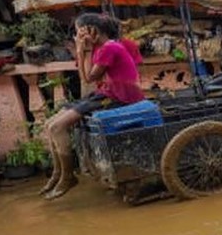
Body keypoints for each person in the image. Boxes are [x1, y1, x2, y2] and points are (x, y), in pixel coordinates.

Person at [39, 12, 145, 199]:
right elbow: (87, 78)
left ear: (92, 31)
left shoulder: (109, 48)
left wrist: (81, 50)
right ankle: (58, 173)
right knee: (50, 124)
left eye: (80, 32)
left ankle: (68, 176)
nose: (77, 37)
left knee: (57, 127)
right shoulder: (101, 48)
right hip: (106, 92)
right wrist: (83, 50)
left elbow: (87, 78)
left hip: (121, 96)